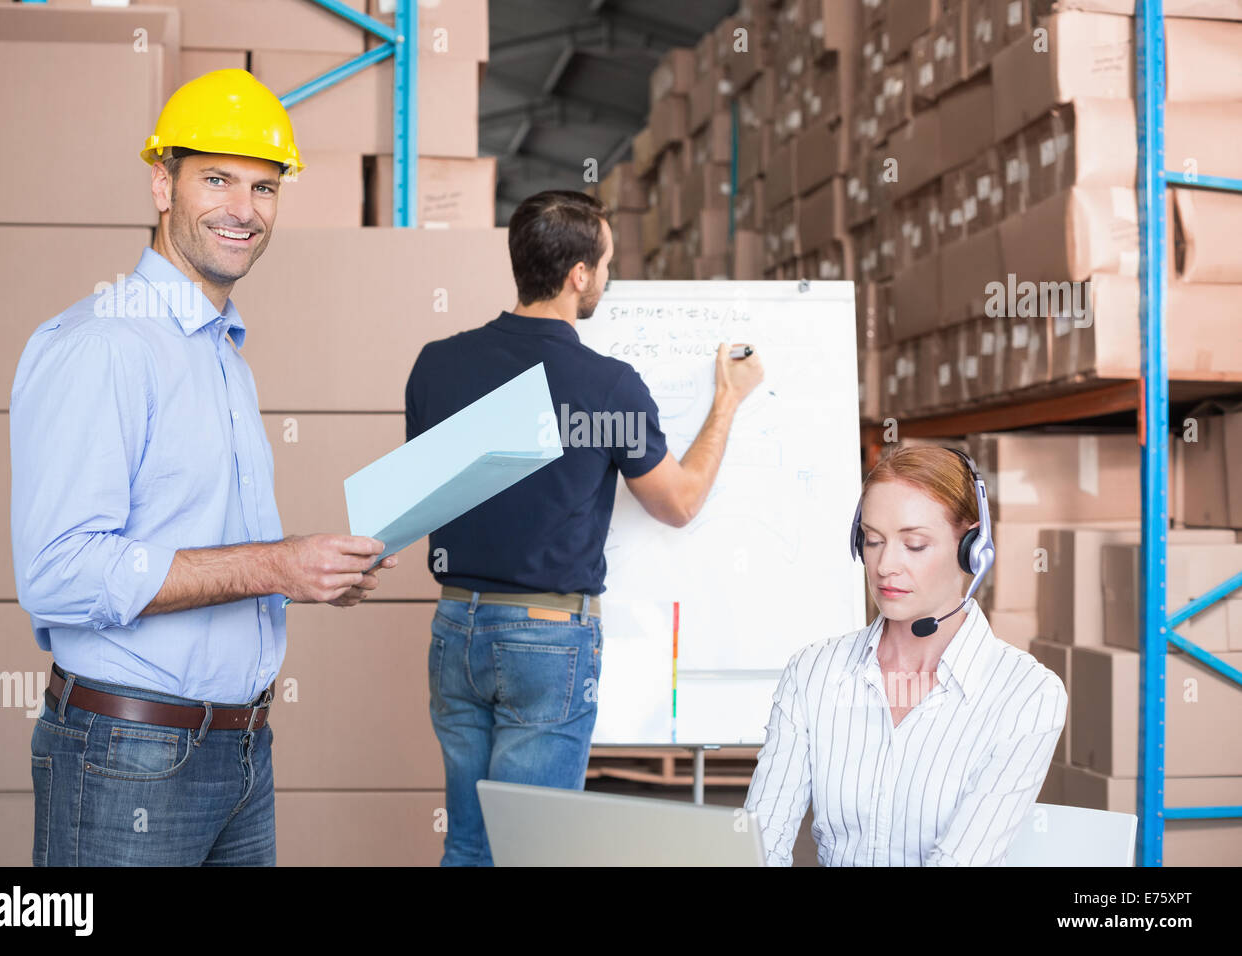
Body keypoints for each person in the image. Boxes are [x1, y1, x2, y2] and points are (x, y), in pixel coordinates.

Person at [9, 70, 396, 867]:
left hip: (240, 750)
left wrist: (306, 571)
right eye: (216, 179)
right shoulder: (106, 345)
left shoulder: (222, 354)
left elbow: (201, 540)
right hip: (129, 754)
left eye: (264, 186)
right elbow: (57, 573)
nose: (243, 210)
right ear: (162, 183)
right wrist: (275, 564)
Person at [404, 189, 766, 866]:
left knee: (469, 842)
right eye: (605, 264)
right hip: (546, 640)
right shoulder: (607, 385)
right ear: (578, 276)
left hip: (455, 630)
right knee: (534, 853)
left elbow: (429, 499)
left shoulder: (437, 364)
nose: (607, 277)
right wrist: (727, 401)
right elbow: (679, 503)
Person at [744, 445, 1066, 866]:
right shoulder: (814, 672)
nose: (885, 565)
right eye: (873, 541)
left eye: (914, 545)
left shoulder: (1027, 695)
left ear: (972, 547)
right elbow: (759, 842)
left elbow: (961, 861)